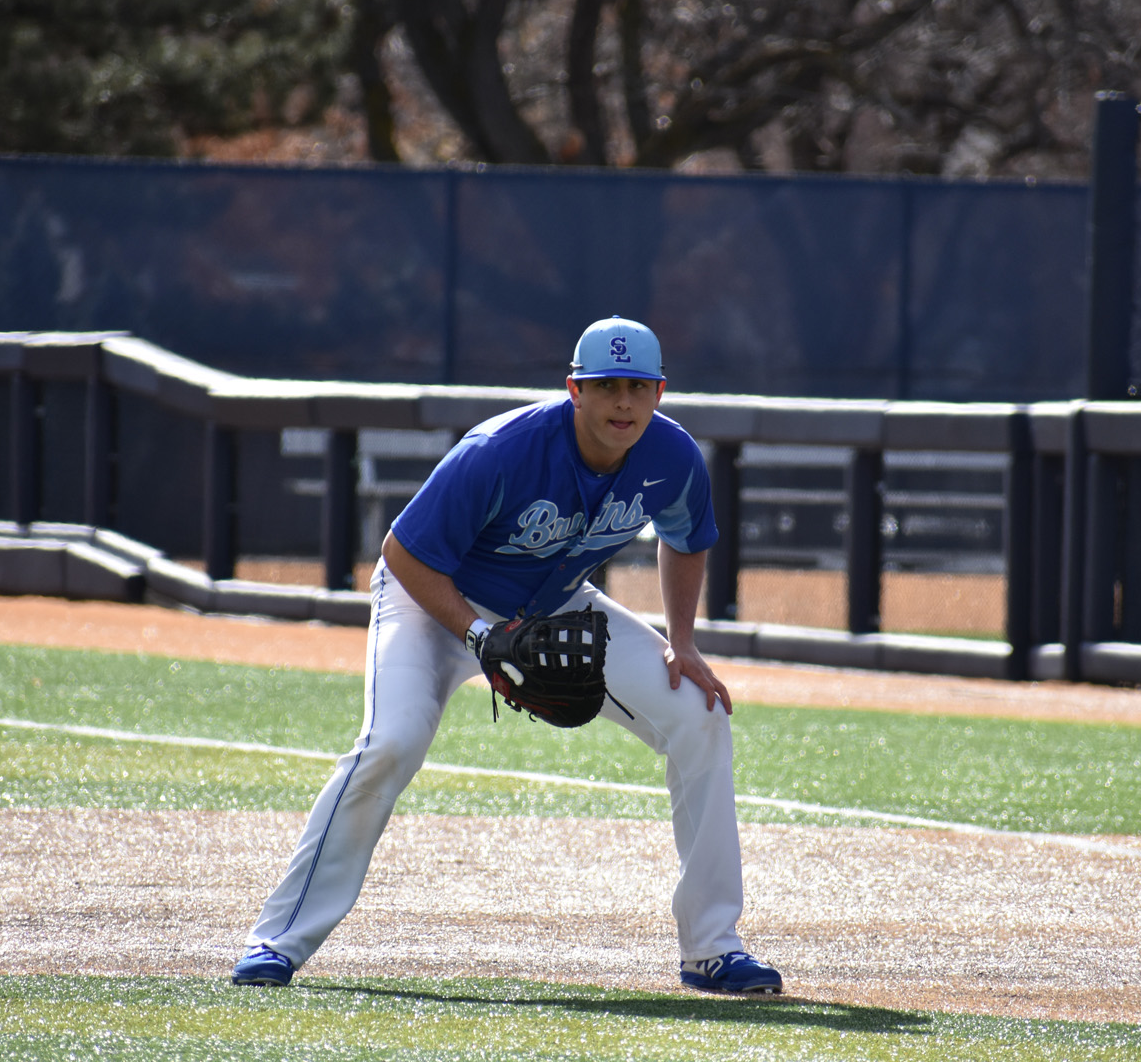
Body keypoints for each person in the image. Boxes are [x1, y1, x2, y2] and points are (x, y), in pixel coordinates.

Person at [230, 316, 783, 995]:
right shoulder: (502, 449)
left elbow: (687, 535)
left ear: (660, 392)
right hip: (432, 601)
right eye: (605, 387)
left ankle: (712, 950)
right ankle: (277, 940)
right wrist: (477, 636)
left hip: (552, 604)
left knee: (698, 714)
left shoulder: (671, 457)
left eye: (637, 387)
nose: (623, 404)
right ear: (573, 390)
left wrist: (684, 642)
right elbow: (405, 553)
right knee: (390, 743)